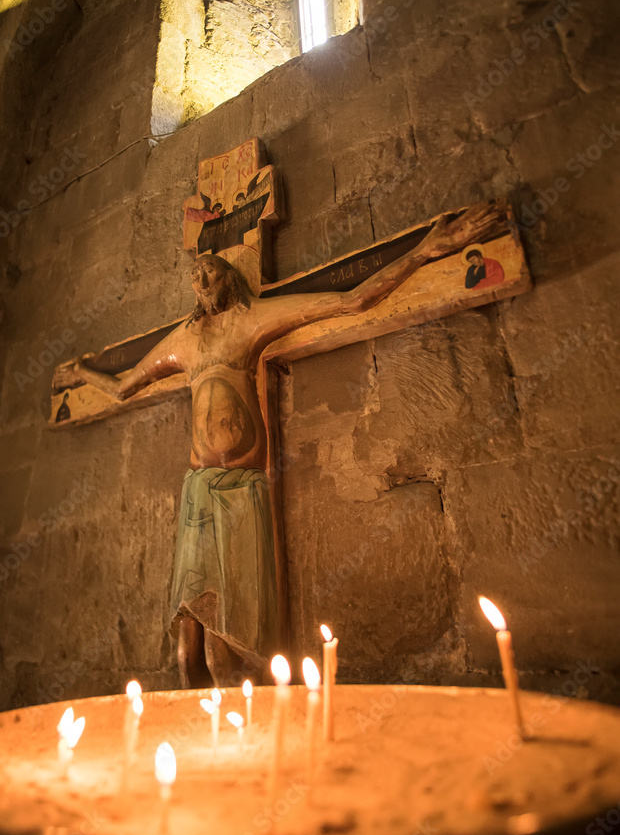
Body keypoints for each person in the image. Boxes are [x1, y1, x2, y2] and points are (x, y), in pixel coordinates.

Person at [76, 204, 499, 686]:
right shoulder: (185, 340)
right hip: (198, 490)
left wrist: (427, 250)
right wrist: (81, 373)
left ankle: (240, 727)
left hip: (241, 490)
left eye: (208, 270)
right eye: (194, 276)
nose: (200, 279)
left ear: (229, 277)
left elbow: (351, 301)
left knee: (224, 650)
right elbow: (124, 384)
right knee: (185, 647)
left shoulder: (251, 321)